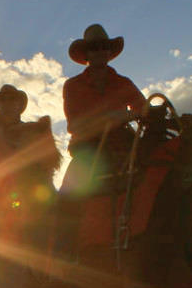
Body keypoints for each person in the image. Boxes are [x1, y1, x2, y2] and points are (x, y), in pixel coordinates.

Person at [55, 23, 147, 260]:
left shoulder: (123, 82)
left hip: (123, 146)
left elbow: (143, 108)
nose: (100, 52)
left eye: (104, 47)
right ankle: (62, 263)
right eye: (94, 48)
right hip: (88, 150)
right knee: (65, 201)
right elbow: (74, 125)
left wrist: (132, 115)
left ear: (109, 51)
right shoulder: (72, 86)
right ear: (87, 54)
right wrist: (108, 119)